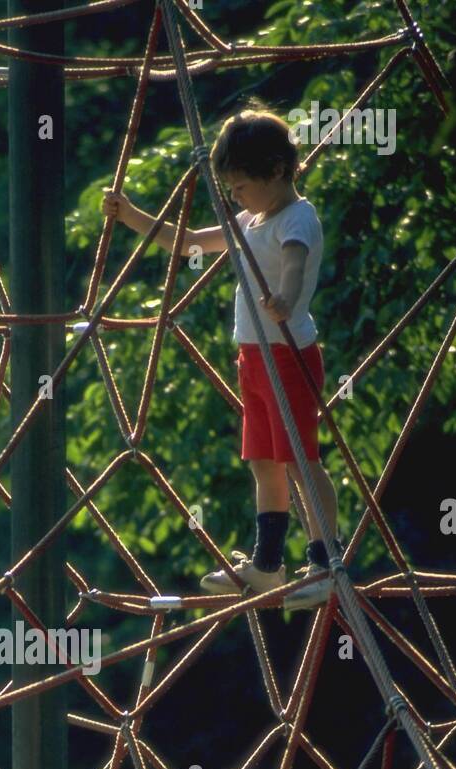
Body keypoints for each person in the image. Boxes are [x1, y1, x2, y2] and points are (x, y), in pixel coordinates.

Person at [103, 105, 341, 610]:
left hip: (288, 355)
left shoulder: (298, 217)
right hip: (253, 357)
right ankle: (268, 564)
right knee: (262, 461)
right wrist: (130, 216)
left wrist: (284, 298)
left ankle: (325, 562)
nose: (235, 196)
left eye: (240, 186)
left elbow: (296, 265)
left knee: (301, 461)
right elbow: (186, 241)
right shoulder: (251, 218)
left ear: (276, 170)